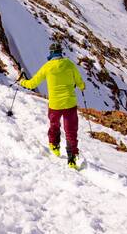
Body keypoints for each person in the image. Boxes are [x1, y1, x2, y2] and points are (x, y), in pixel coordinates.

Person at [19, 37, 86, 168]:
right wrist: (82, 86)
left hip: (55, 104)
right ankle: (72, 158)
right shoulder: (69, 64)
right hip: (70, 103)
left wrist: (22, 81)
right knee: (71, 130)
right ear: (61, 52)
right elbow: (79, 81)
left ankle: (54, 145)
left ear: (51, 53)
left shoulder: (47, 67)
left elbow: (32, 83)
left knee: (54, 124)